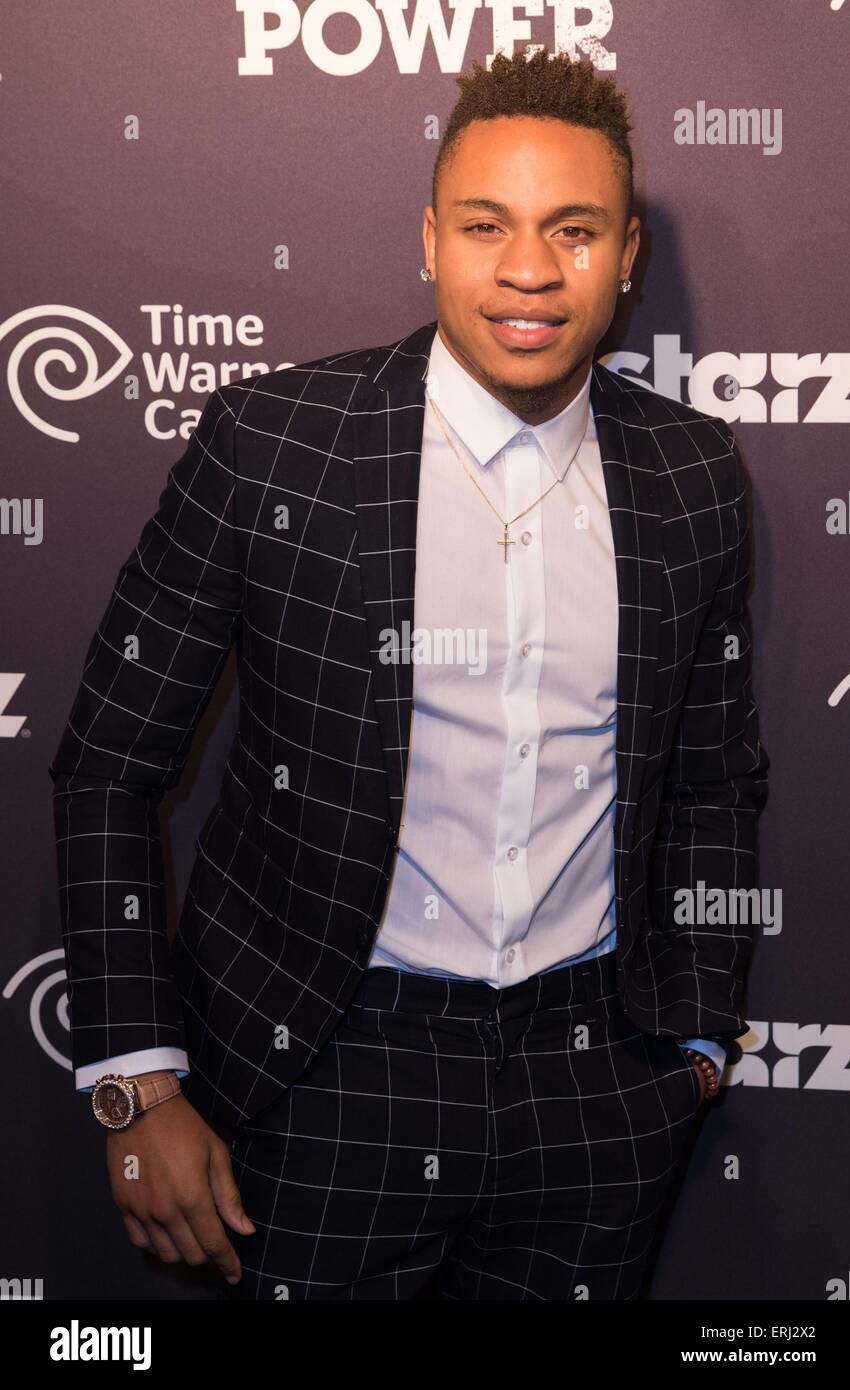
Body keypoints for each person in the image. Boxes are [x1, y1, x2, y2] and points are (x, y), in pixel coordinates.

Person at [49, 47, 769, 1301]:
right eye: (487, 224)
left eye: (573, 229)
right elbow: (107, 766)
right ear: (429, 238)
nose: (530, 270)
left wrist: (692, 1040)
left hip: (592, 1084)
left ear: (626, 256)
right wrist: (134, 1082)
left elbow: (713, 783)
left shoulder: (694, 472)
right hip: (323, 1068)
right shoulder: (272, 443)